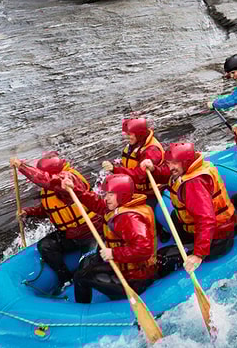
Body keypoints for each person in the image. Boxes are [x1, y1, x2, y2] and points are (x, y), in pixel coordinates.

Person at [62, 174, 159, 304]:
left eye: (111, 194)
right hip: (128, 268)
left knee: (80, 277)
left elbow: (144, 249)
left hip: (136, 278)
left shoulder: (128, 218)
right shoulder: (121, 206)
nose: (106, 198)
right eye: (106, 193)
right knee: (88, 263)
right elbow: (96, 203)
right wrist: (75, 189)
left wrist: (113, 253)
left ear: (122, 195)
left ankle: (82, 313)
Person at [12, 153, 97, 288]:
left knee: (85, 271)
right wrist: (28, 213)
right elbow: (50, 209)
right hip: (70, 235)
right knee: (45, 246)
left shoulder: (68, 181)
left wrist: (22, 167)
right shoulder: (51, 189)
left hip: (91, 233)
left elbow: (49, 180)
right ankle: (66, 279)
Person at [164, 142, 237, 272]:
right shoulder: (194, 166)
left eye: (174, 163)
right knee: (175, 216)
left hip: (216, 240)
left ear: (186, 162)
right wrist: (153, 169)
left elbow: (206, 219)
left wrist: (198, 254)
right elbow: (166, 172)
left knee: (164, 258)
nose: (170, 167)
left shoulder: (193, 184)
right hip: (213, 228)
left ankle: (190, 248)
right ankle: (186, 243)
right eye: (168, 163)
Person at [103, 117, 170, 202]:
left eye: (129, 134)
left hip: (151, 193)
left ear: (139, 134)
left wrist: (115, 169)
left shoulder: (152, 151)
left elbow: (139, 175)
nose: (127, 137)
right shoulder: (136, 144)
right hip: (136, 191)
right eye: (126, 134)